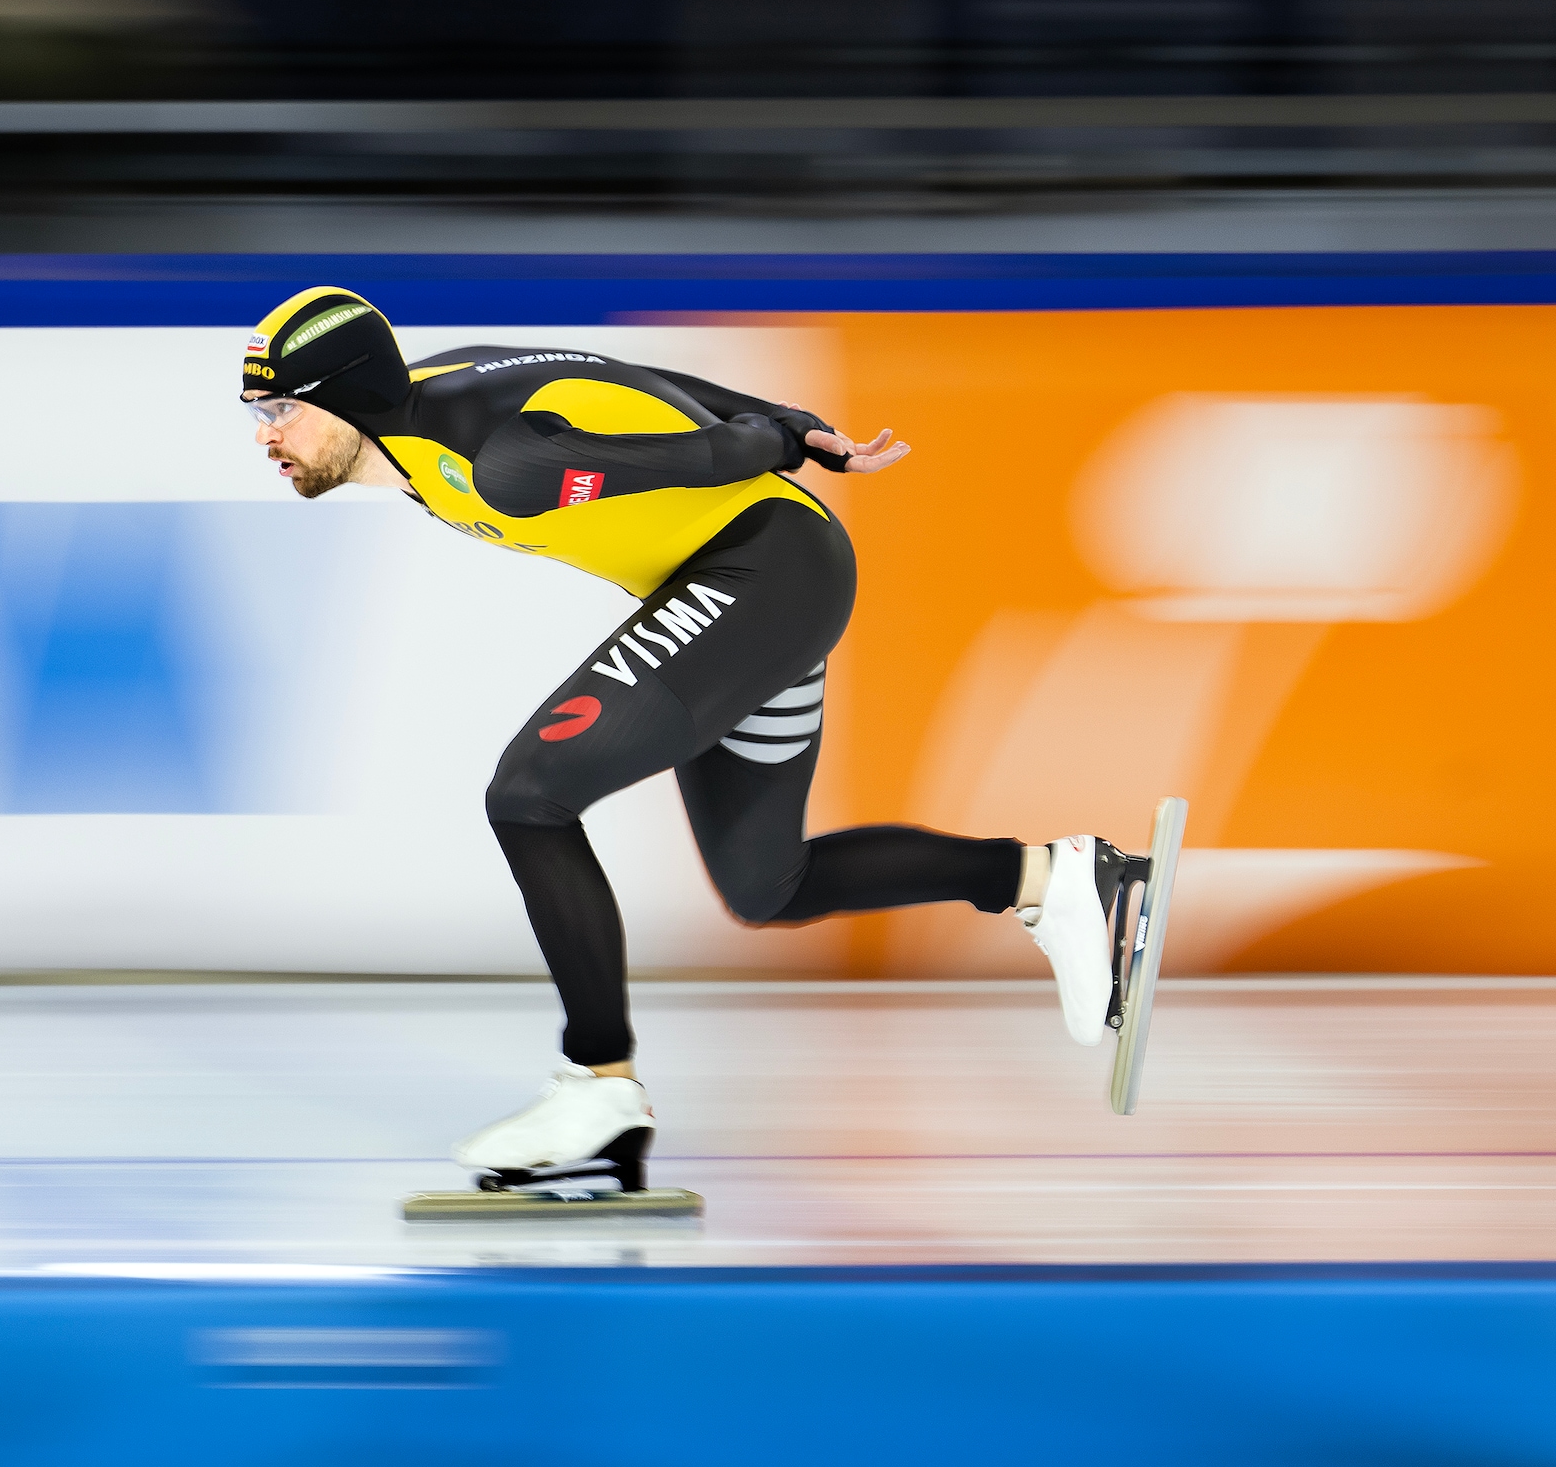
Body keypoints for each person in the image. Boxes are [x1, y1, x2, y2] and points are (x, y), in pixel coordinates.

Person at [242, 286, 1134, 1194]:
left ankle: (599, 1086)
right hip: (752, 581)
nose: (268, 434)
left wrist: (779, 434)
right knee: (767, 884)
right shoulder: (426, 410)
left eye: (282, 409)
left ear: (348, 396)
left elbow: (705, 454)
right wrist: (784, 413)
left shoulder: (500, 462)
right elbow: (630, 378)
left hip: (760, 569)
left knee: (529, 795)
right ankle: (1052, 879)